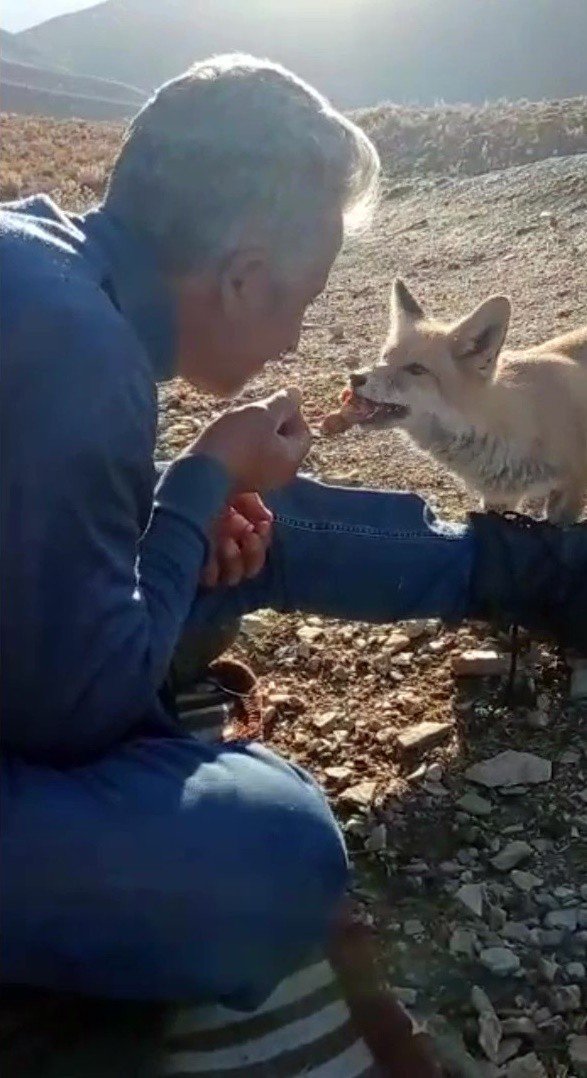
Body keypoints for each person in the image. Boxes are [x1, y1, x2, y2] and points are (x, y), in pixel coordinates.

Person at [1, 53, 586, 1037]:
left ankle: (536, 572)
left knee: (250, 520)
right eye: (302, 301)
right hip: (41, 715)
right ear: (240, 278)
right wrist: (196, 486)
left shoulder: (44, 261)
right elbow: (76, 708)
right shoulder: (79, 355)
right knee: (281, 858)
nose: (295, 341)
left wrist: (202, 496)